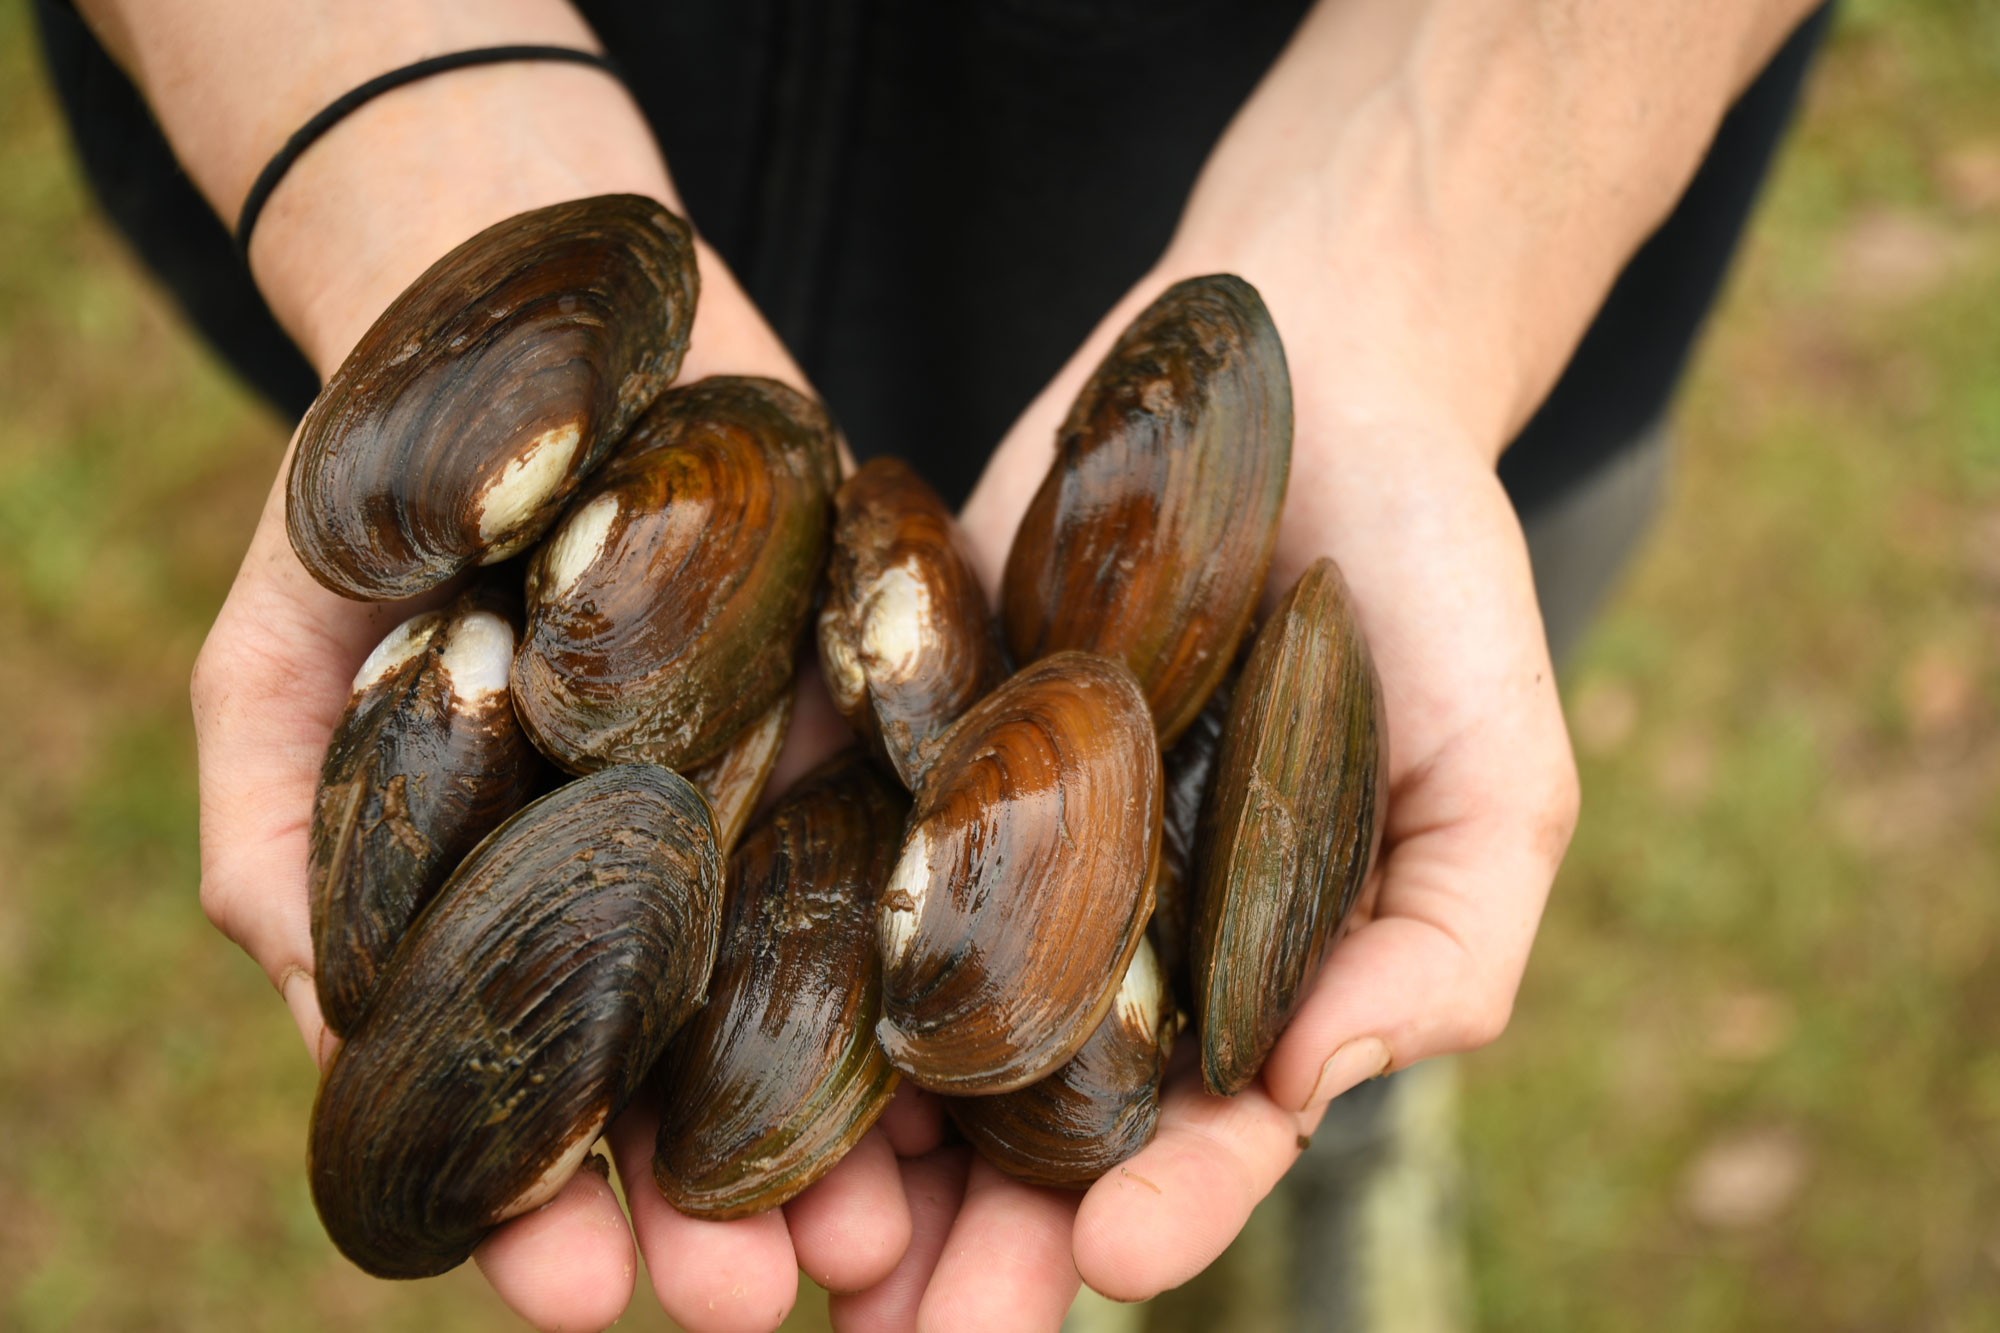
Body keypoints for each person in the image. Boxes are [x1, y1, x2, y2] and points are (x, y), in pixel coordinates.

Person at [33, 1, 1832, 1329]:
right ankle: (1312, 1089)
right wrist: (374, 102)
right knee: (1222, 987)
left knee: (1326, 881)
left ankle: (1353, 1106)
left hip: (1457, 205)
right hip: (517, 157)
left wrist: (1447, 204)